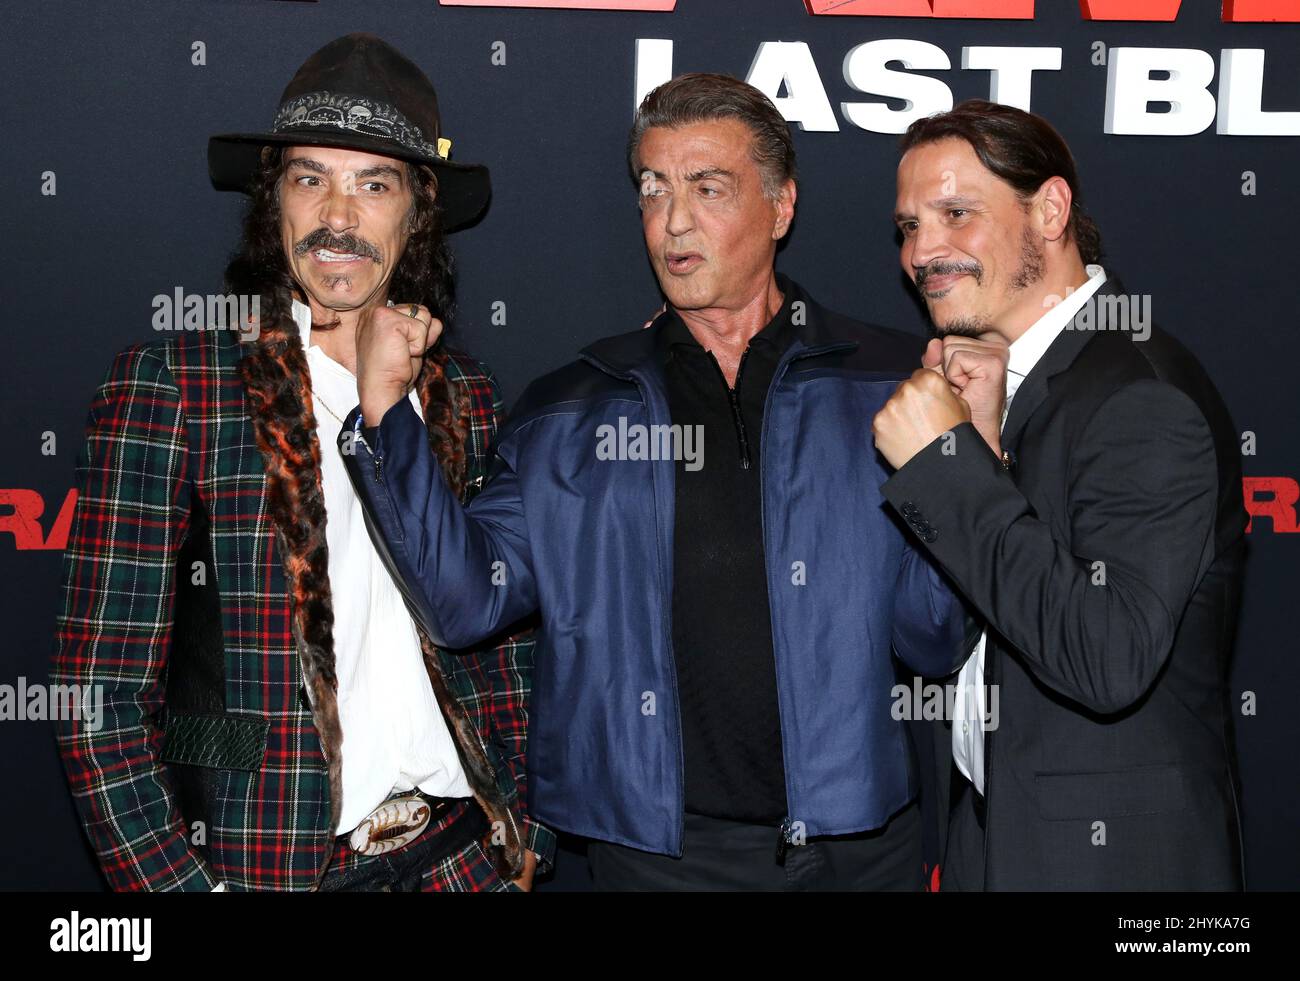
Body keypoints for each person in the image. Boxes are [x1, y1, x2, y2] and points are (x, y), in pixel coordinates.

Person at [344, 73, 966, 890]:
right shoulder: (570, 407)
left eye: (708, 189)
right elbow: (464, 603)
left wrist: (964, 457)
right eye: (653, 189)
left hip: (860, 847)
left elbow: (937, 634)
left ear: (781, 208)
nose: (674, 221)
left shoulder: (892, 384)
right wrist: (389, 410)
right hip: (659, 859)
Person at [52, 33, 552, 891]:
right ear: (272, 202)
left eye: (374, 183)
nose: (339, 217)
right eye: (310, 178)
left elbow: (506, 645)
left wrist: (521, 829)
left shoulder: (463, 390)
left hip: (461, 858)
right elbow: (96, 697)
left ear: (417, 212)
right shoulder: (179, 384)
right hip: (275, 872)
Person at [873, 99, 1246, 890]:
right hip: (992, 837)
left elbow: (1106, 658)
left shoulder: (1138, 393)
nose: (923, 251)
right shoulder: (1003, 386)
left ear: (1050, 210)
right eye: (909, 226)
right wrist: (977, 449)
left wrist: (947, 465)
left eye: (956, 213)